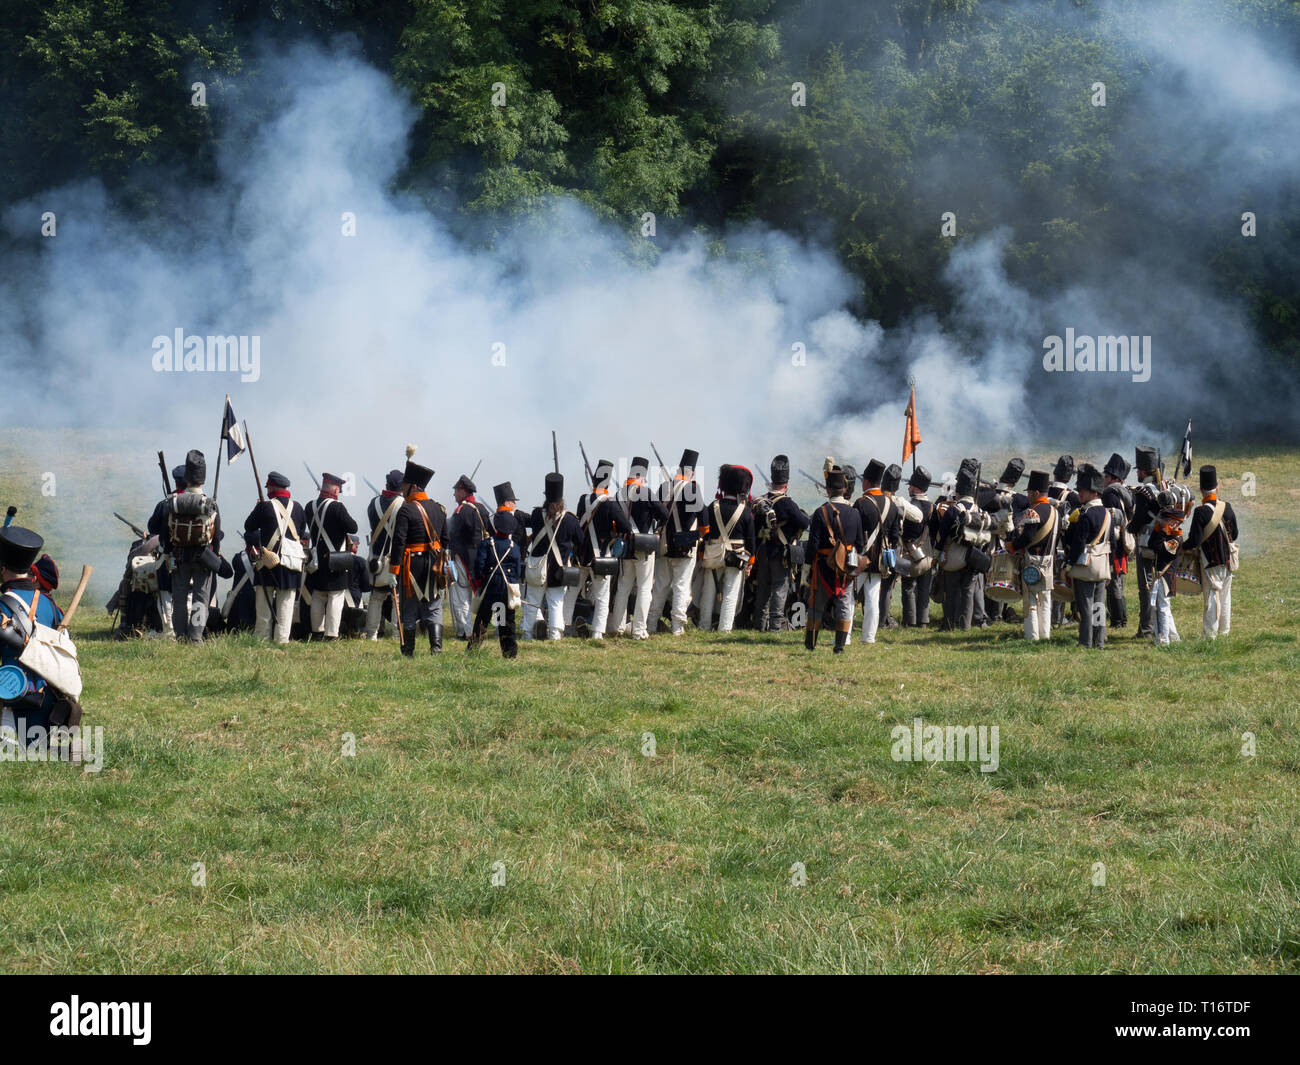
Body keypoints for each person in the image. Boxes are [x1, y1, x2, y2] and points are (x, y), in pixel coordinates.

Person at [0, 525, 65, 738]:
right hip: (49, 709)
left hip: (11, 705)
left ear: (2, 568)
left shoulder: (2, 606)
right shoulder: (51, 606)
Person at [160, 449, 223, 642]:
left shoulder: (172, 503)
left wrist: (170, 552)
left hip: (179, 555)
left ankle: (180, 635)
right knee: (200, 599)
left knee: (178, 598)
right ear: (202, 480)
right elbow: (216, 535)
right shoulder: (209, 503)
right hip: (203, 557)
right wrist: (215, 555)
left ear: (186, 478)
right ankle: (195, 637)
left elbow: (164, 532)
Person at [388, 460, 448, 656]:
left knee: (410, 607)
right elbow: (446, 539)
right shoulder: (439, 508)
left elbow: (399, 541)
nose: (403, 488)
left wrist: (394, 570)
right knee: (434, 606)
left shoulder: (406, 509)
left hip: (411, 565)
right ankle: (436, 648)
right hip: (434, 564)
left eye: (405, 485)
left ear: (413, 486)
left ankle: (409, 651)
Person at [244, 471, 308, 644]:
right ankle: (282, 640)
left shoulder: (264, 506)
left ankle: (262, 638)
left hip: (267, 562)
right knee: (286, 606)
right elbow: (301, 533)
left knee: (264, 605)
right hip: (291, 563)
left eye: (268, 487)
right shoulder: (299, 508)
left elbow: (248, 526)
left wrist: (258, 507)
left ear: (272, 487)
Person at [804, 465, 864, 654]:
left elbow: (812, 544)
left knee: (816, 605)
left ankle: (811, 643)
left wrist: (806, 568)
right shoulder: (854, 513)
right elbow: (860, 544)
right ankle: (839, 646)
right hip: (845, 567)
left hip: (823, 565)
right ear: (845, 490)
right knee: (844, 605)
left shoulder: (820, 512)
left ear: (828, 490)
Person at [608, 458, 668, 639]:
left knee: (623, 587)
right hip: (644, 546)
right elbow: (664, 514)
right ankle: (639, 630)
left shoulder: (618, 494)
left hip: (625, 547)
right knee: (644, 588)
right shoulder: (645, 492)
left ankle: (618, 627)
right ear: (641, 477)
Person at [648, 449, 704, 636]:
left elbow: (655, 514)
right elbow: (705, 519)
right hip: (685, 547)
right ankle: (677, 628)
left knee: (660, 586)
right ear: (692, 474)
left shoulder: (664, 487)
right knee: (681, 586)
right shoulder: (693, 489)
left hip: (664, 545)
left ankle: (651, 624)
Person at [575, 458, 632, 639]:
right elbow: (626, 527)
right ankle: (597, 632)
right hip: (600, 554)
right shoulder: (609, 503)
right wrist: (613, 530)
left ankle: (565, 627)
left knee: (572, 592)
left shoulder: (582, 500)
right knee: (602, 595)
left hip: (581, 555)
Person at [751, 455, 810, 632]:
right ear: (786, 483)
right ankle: (775, 627)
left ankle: (759, 625)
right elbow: (804, 523)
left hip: (763, 551)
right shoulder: (787, 503)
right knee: (779, 589)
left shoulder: (761, 502)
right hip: (781, 554)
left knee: (763, 590)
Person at [521, 473, 582, 641]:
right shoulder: (570, 520)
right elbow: (580, 539)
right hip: (558, 569)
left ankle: (527, 634)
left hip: (536, 567)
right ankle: (555, 635)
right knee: (556, 602)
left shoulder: (535, 515)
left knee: (532, 601)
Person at [697, 465, 756, 633]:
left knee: (708, 591)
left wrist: (702, 555)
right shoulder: (745, 511)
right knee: (731, 593)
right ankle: (725, 628)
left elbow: (706, 535)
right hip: (737, 556)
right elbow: (751, 540)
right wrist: (750, 562)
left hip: (713, 553)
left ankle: (704, 625)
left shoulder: (712, 506)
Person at [1182, 464, 1238, 640]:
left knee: (1212, 598)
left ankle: (1209, 635)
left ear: (1201, 490)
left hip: (1210, 563)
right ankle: (1224, 632)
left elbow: (1195, 540)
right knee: (1225, 597)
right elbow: (1234, 534)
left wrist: (1181, 547)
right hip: (1228, 561)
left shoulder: (1200, 512)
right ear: (1217, 487)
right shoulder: (1227, 507)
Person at [303, 472, 359, 641]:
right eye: (339, 490)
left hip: (316, 559)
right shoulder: (337, 507)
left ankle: (317, 632)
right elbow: (353, 527)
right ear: (335, 490)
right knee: (335, 596)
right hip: (335, 559)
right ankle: (331, 634)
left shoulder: (309, 506)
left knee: (318, 596)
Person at [1065, 463, 1111, 648]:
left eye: (1084, 491)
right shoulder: (1107, 513)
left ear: (1094, 493)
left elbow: (1077, 543)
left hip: (1086, 564)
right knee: (1099, 606)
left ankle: (1085, 642)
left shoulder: (1085, 515)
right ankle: (1099, 641)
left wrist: (1069, 563)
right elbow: (1111, 544)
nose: (1080, 493)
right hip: (1102, 565)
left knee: (1085, 605)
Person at [1008, 470, 1058, 641]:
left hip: (1033, 561)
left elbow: (1027, 537)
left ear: (1036, 492)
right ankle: (1045, 635)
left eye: (1029, 492)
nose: (1028, 496)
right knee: (1045, 599)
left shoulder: (1033, 512)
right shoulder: (1055, 511)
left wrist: (1012, 546)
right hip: (1049, 560)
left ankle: (1032, 636)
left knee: (1030, 601)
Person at [936, 464, 986, 631]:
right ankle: (964, 626)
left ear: (958, 492)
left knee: (950, 593)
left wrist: (938, 555)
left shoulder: (952, 510)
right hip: (973, 558)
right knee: (967, 593)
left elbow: (941, 535)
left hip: (954, 556)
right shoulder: (979, 510)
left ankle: (949, 625)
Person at [853, 459, 898, 645]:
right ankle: (869, 637)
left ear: (866, 481)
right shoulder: (892, 506)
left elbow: (854, 534)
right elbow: (894, 537)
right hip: (880, 561)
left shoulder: (861, 503)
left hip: (860, 559)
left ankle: (844, 636)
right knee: (873, 600)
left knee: (849, 598)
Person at [470, 510, 522, 658]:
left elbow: (479, 566)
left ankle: (473, 650)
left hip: (490, 587)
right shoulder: (515, 547)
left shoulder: (487, 544)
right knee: (507, 622)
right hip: (506, 589)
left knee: (482, 620)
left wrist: (480, 583)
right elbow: (517, 571)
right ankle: (509, 653)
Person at [448, 475, 492, 640]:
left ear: (462, 491)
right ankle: (481, 629)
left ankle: (465, 632)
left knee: (460, 597)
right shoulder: (481, 508)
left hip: (463, 558)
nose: (454, 495)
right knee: (480, 597)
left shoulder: (461, 510)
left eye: (456, 491)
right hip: (480, 558)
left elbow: (452, 532)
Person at [364, 469, 405, 640]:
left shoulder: (372, 504)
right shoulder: (404, 504)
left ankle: (371, 634)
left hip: (376, 558)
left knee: (376, 597)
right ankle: (396, 634)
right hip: (395, 557)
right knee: (398, 597)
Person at [1129, 445, 1164, 639]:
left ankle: (1146, 629)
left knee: (1146, 588)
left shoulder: (1143, 491)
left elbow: (1140, 518)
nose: (1138, 475)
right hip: (1162, 544)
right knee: (1159, 587)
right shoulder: (1164, 487)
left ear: (1143, 471)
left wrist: (1129, 528)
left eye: (1139, 471)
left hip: (1146, 543)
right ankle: (1160, 625)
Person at [1101, 452, 1134, 629]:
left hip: (1114, 543)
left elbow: (1112, 524)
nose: (1103, 479)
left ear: (1113, 478)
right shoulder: (1123, 492)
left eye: (1106, 476)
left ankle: (1117, 621)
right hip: (1121, 543)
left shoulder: (1110, 495)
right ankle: (1120, 619)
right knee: (1116, 582)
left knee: (1113, 583)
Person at [899, 466, 935, 628]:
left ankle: (910, 620)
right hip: (928, 553)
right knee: (924, 588)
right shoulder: (932, 507)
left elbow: (904, 531)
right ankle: (923, 621)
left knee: (909, 587)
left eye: (911, 485)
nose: (909, 488)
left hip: (909, 551)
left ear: (915, 487)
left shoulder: (909, 506)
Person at [876, 464, 905, 628]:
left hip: (873, 550)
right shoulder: (897, 504)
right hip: (889, 550)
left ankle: (879, 618)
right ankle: (882, 621)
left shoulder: (873, 500)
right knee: (886, 588)